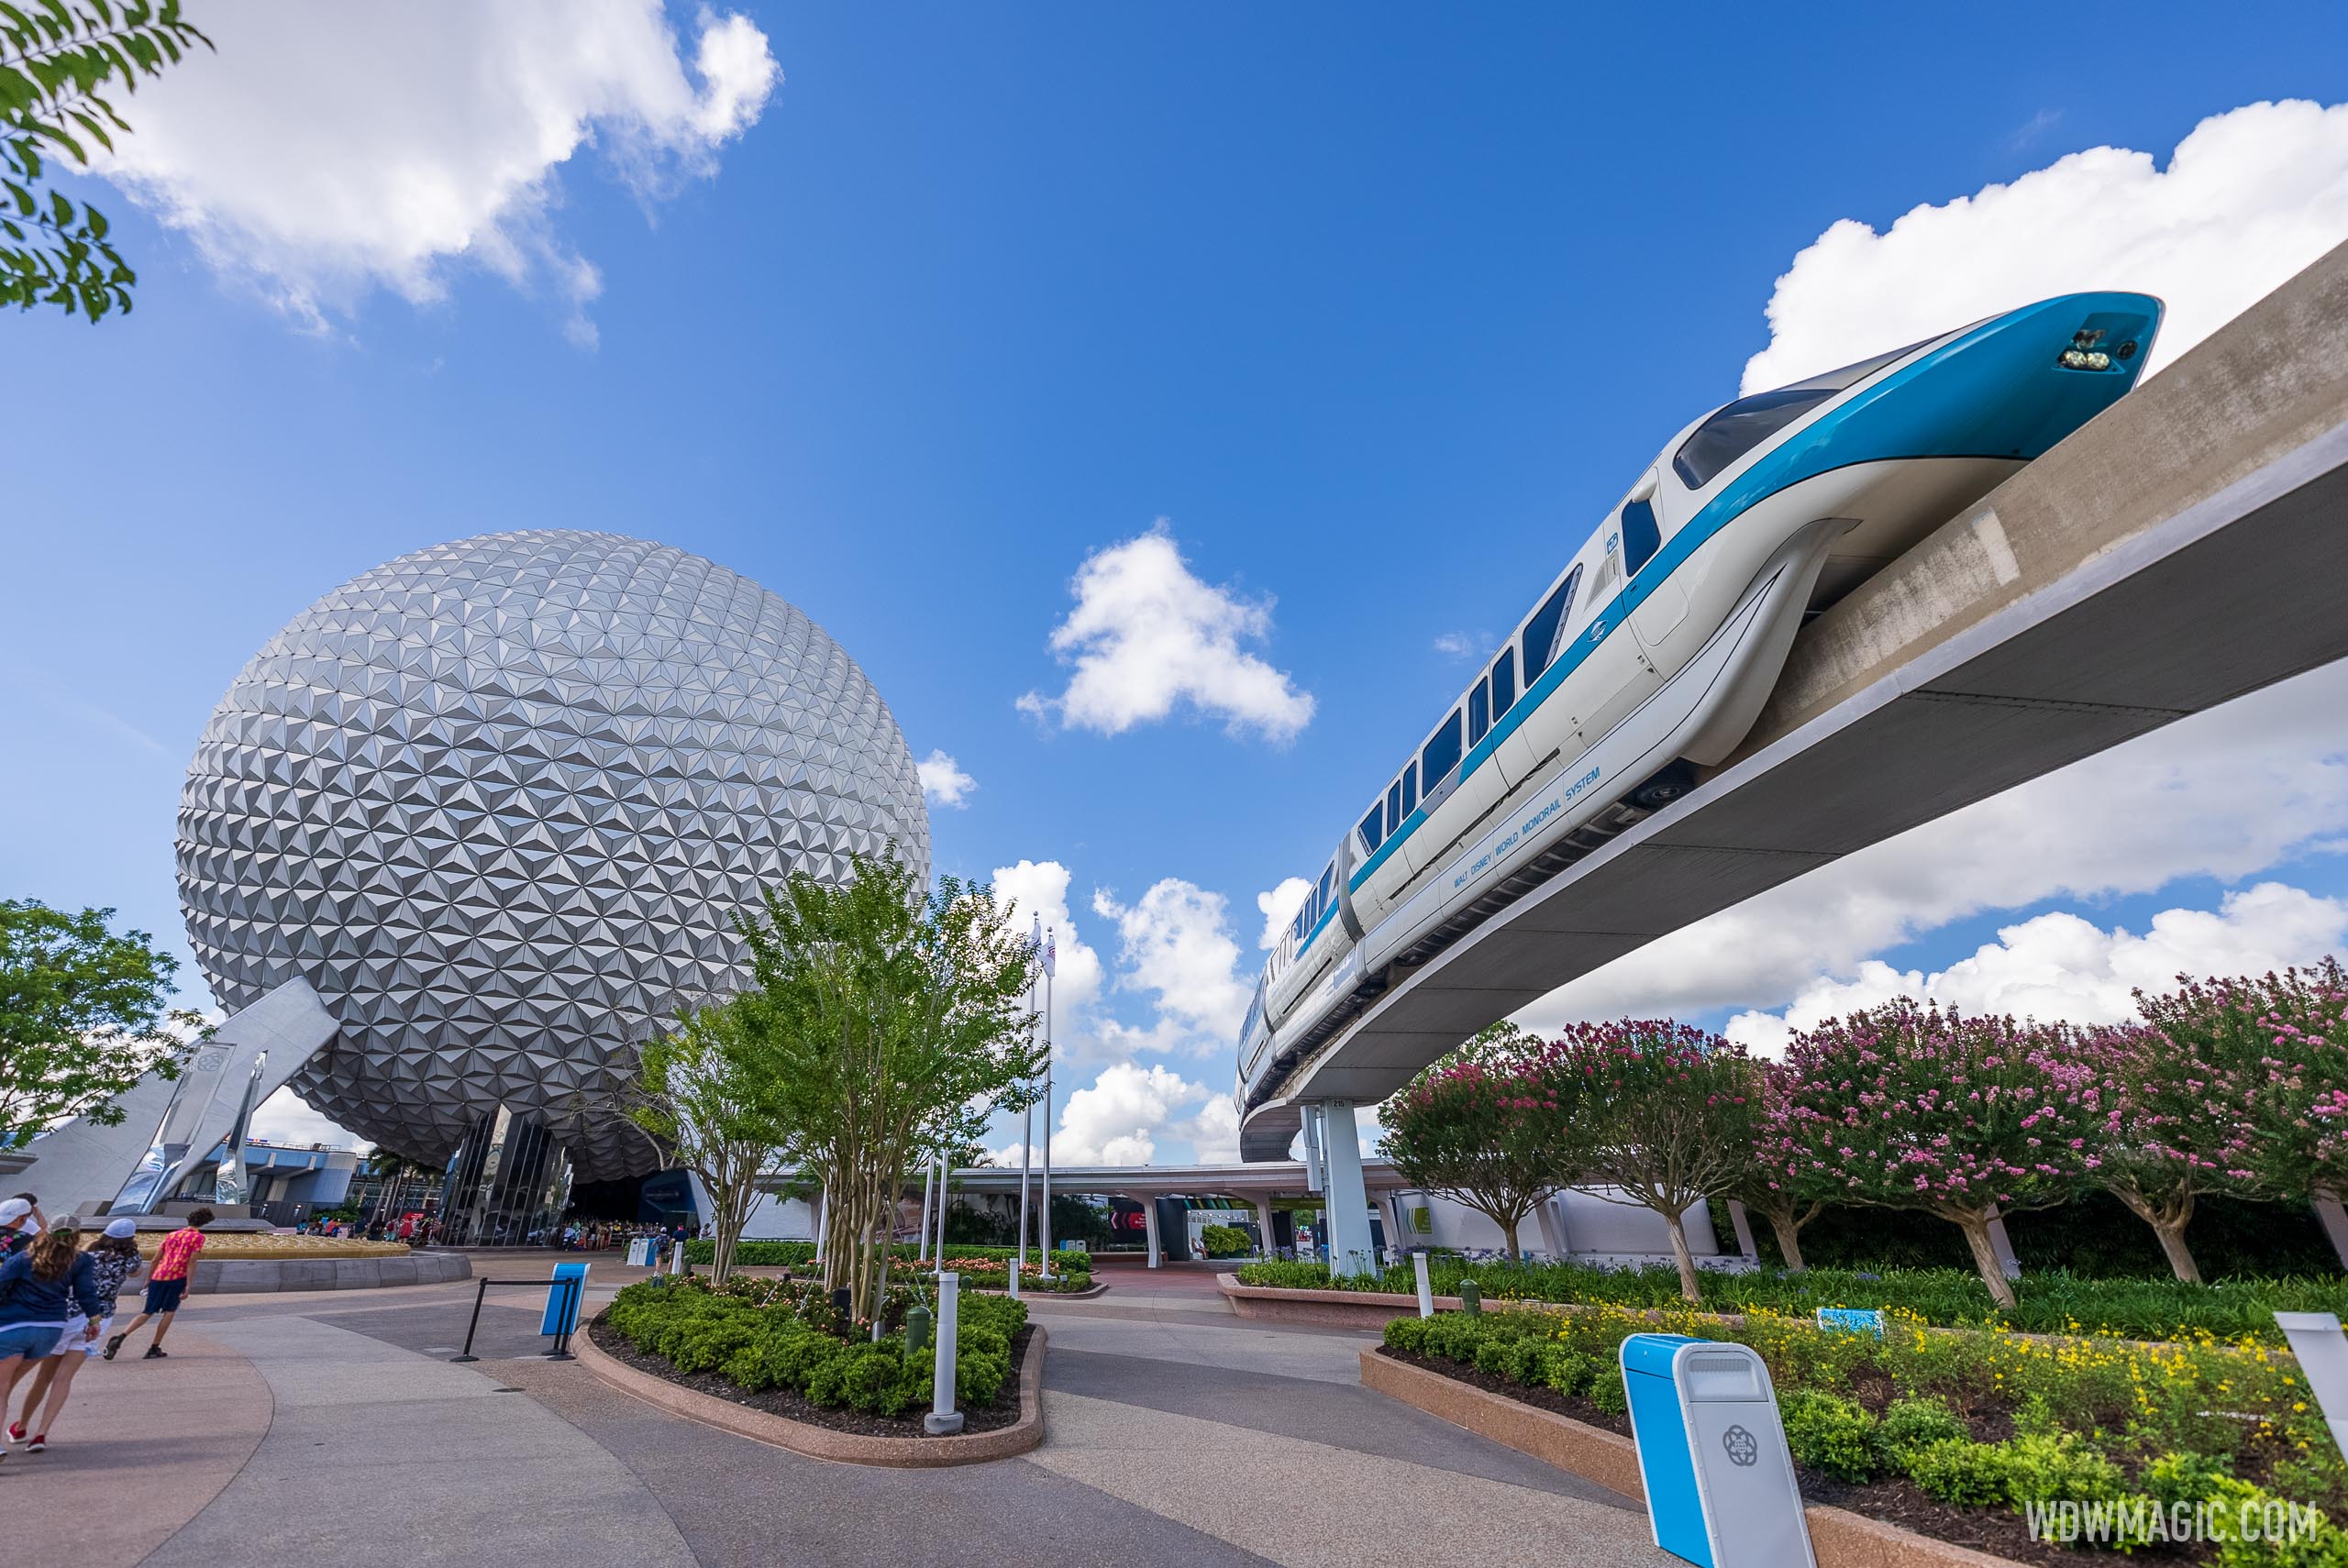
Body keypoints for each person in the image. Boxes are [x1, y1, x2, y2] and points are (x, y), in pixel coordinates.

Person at [8, 1220, 142, 1451]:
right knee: (64, 1378)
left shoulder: (85, 1256)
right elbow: (136, 1272)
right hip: (99, 1318)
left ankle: (22, 1426)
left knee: (43, 1376)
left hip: (68, 1316)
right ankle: (41, 1434)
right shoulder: (131, 1258)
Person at [0, 1228, 104, 1463]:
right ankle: (29, 1429)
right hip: (50, 1331)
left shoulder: (25, 1257)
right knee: (12, 1381)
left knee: (2, 1387)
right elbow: (86, 1292)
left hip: (14, 1326)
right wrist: (94, 1319)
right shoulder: (81, 1260)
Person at [105, 1207, 211, 1361]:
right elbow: (191, 1262)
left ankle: (120, 1337)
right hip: (177, 1278)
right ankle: (154, 1347)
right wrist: (188, 1285)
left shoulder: (171, 1235)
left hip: (158, 1276)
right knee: (169, 1311)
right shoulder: (198, 1238)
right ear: (205, 1223)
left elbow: (155, 1259)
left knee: (147, 1312)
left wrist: (148, 1280)